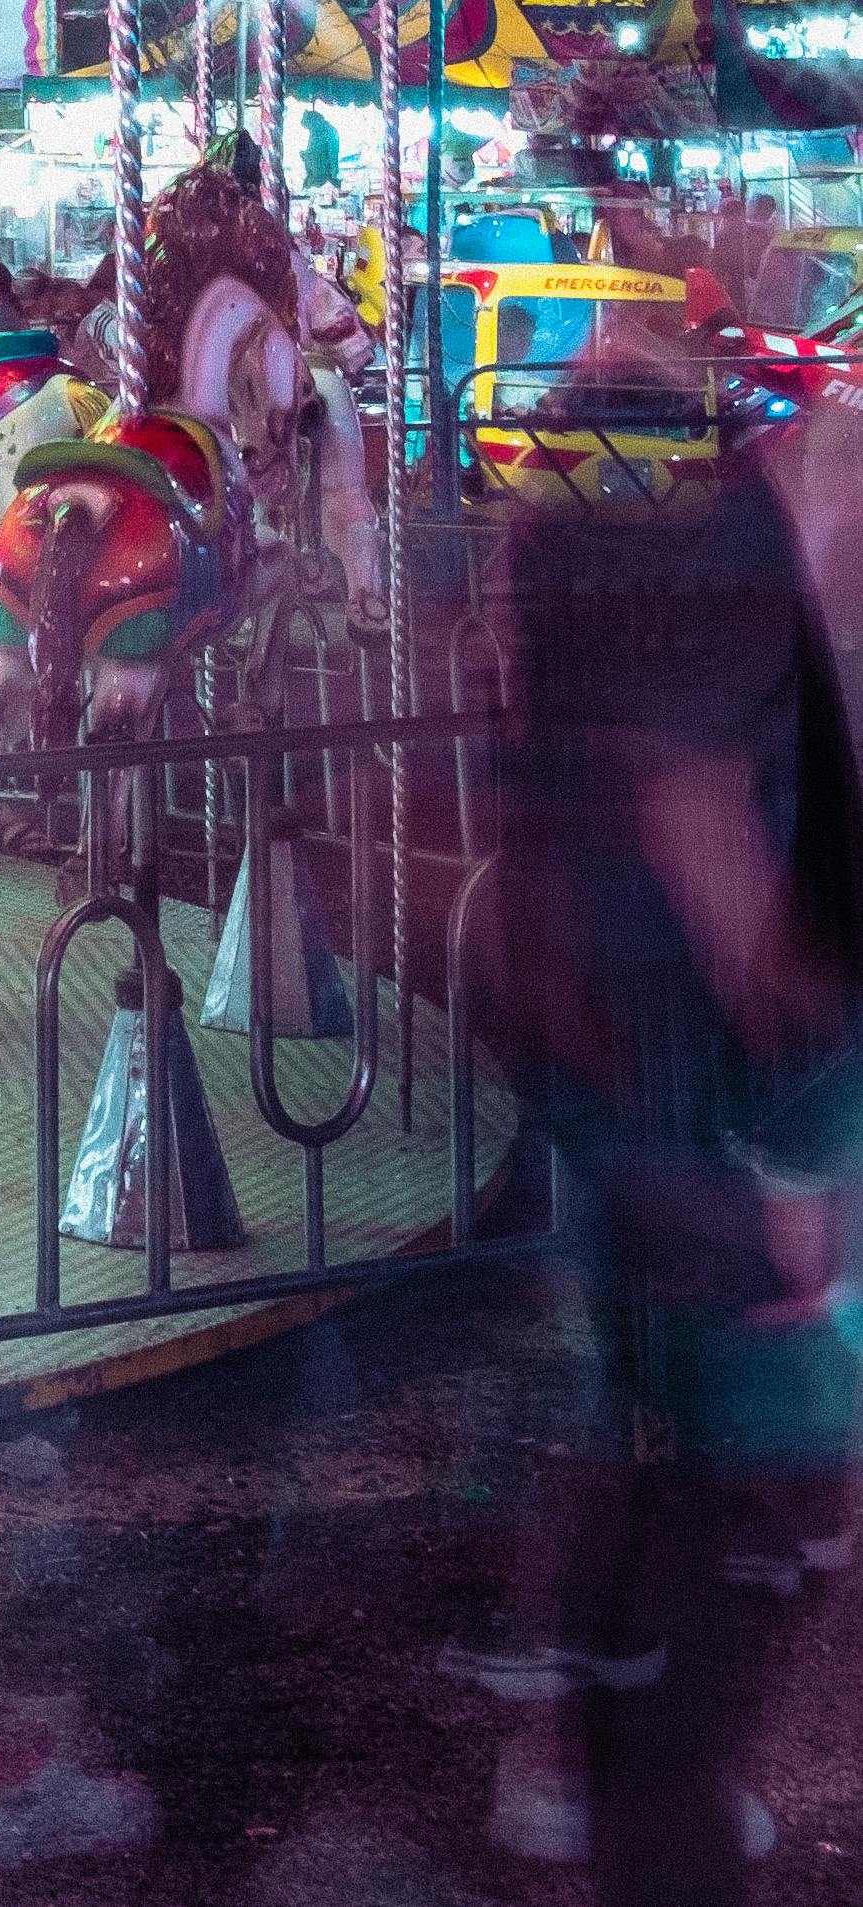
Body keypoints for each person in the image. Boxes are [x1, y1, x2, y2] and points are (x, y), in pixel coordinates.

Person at [473, 322, 863, 1894]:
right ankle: (651, 1809)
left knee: (666, 1436)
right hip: (701, 1071)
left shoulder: (586, 555)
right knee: (747, 1462)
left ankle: (592, 1750)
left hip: (607, 1041)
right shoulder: (737, 547)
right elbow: (707, 819)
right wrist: (793, 1143)